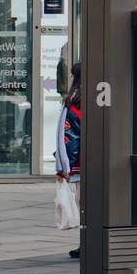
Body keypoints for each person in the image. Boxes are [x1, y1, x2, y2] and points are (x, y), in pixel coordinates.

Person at [54, 61, 83, 256]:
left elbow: (70, 137)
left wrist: (65, 166)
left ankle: (87, 242)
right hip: (98, 159)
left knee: (83, 201)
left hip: (81, 161)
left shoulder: (73, 103)